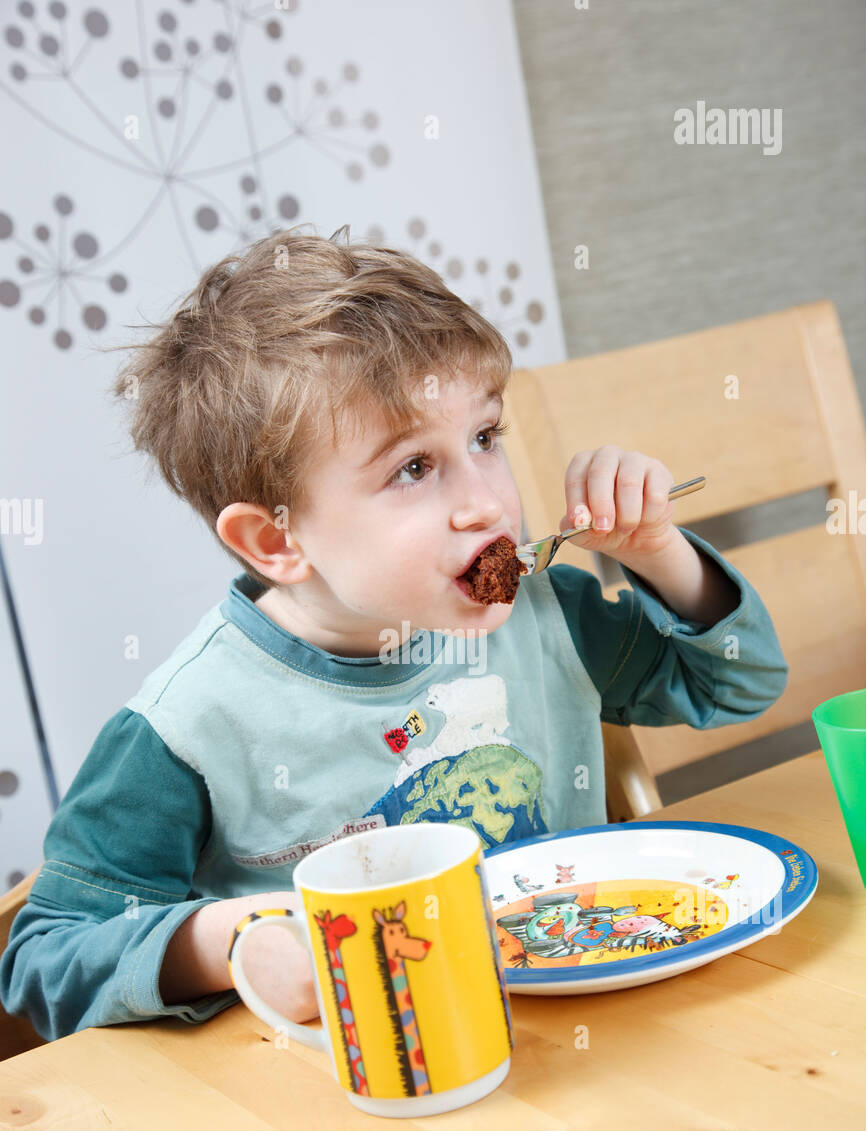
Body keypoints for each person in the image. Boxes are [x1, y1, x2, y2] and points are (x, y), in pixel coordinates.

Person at [0, 226, 788, 1042]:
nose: (486, 500)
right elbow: (44, 960)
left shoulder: (543, 609)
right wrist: (232, 945)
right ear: (276, 542)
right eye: (413, 468)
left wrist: (656, 554)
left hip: (588, 1036)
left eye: (484, 438)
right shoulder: (187, 728)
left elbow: (735, 683)